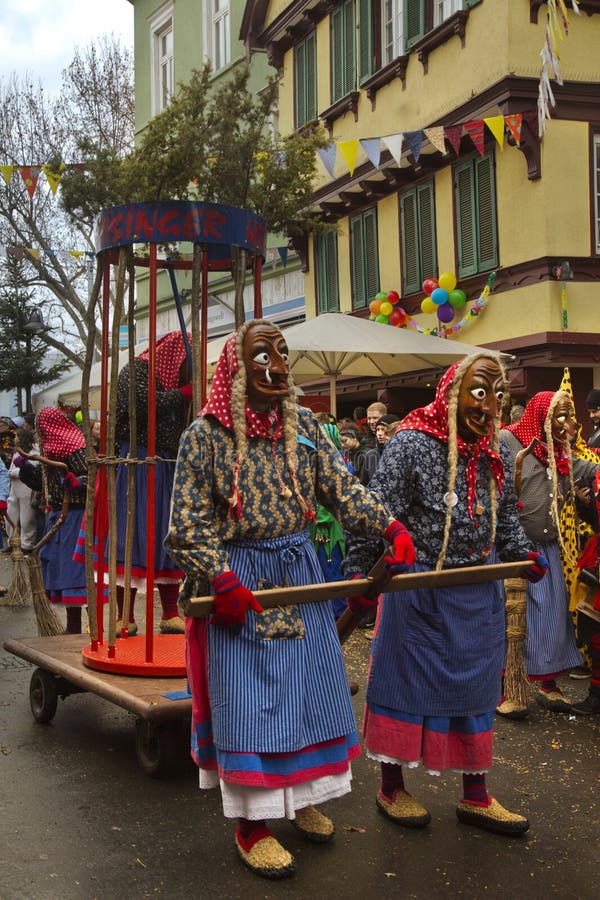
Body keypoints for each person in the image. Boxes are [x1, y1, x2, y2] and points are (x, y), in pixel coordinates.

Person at [164, 319, 414, 879]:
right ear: (235, 370)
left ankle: (301, 800)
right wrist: (219, 575)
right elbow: (185, 526)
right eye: (262, 356)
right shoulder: (205, 436)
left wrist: (389, 524)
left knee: (306, 690)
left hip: (300, 572)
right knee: (254, 700)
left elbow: (343, 488)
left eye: (282, 353)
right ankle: (252, 825)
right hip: (241, 582)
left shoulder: (302, 424)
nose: (278, 365)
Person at [343, 353, 545, 836]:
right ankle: (392, 786)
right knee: (404, 686)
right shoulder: (411, 444)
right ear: (452, 395)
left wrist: (523, 553)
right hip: (419, 592)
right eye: (479, 392)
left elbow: (507, 517)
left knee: (475, 691)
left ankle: (475, 795)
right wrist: (361, 579)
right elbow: (375, 512)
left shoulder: (490, 448)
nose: (489, 404)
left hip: (477, 594)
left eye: (496, 394)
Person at [499, 390, 600, 713]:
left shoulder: (560, 449)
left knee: (550, 617)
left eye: (569, 417)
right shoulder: (508, 440)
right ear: (541, 415)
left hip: (547, 546)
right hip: (512, 548)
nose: (566, 424)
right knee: (510, 620)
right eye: (559, 416)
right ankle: (506, 687)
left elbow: (585, 471)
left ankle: (547, 681)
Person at [107, 331, 193, 635]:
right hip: (140, 464)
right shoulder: (136, 370)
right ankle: (125, 616)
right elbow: (140, 402)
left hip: (168, 466)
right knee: (133, 537)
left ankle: (170, 613)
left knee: (166, 537)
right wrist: (183, 394)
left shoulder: (174, 381)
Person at [17, 408, 89, 633]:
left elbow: (94, 476)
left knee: (76, 574)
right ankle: (73, 627)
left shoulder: (76, 448)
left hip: (76, 517)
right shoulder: (51, 451)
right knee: (62, 572)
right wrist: (26, 468)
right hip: (58, 517)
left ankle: (90, 627)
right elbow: (42, 481)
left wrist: (77, 482)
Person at [6, 428, 38, 553]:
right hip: (14, 488)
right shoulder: (17, 452)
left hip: (26, 488)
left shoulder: (33, 451)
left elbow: (33, 466)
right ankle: (12, 542)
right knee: (10, 515)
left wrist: (14, 473)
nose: (15, 439)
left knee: (26, 518)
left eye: (17, 436)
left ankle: (27, 545)